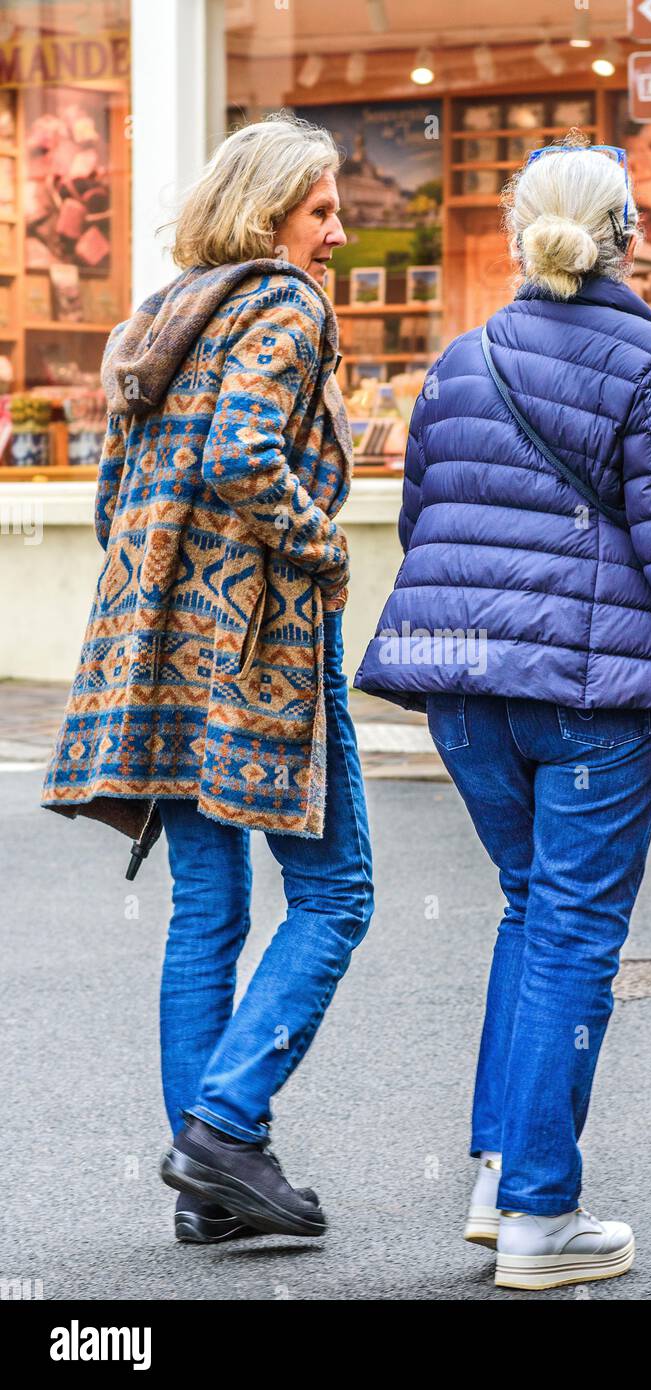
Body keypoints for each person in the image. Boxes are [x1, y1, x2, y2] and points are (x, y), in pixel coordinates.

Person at [354, 134, 651, 1291]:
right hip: (591, 702)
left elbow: (428, 531)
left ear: (520, 232)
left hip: (461, 692)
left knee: (531, 914)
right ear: (625, 239)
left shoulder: (457, 361)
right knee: (570, 931)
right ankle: (536, 1218)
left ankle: (502, 1172)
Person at [40, 113, 374, 1244]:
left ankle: (209, 1191)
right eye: (319, 209)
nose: (336, 231)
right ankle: (225, 1127)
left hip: (154, 659)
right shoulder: (282, 302)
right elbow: (243, 457)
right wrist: (324, 548)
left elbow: (107, 507)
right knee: (337, 893)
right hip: (260, 649)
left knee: (210, 907)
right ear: (266, 210)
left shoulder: (157, 316)